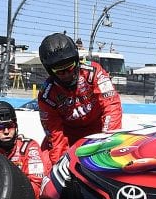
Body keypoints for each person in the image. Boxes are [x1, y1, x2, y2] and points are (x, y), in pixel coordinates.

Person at [37, 32, 122, 164]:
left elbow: (112, 107)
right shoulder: (46, 96)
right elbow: (55, 136)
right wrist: (61, 164)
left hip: (99, 132)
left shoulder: (94, 73)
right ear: (49, 70)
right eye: (59, 70)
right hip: (69, 136)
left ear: (77, 60)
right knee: (47, 162)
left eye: (70, 67)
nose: (66, 74)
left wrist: (106, 142)